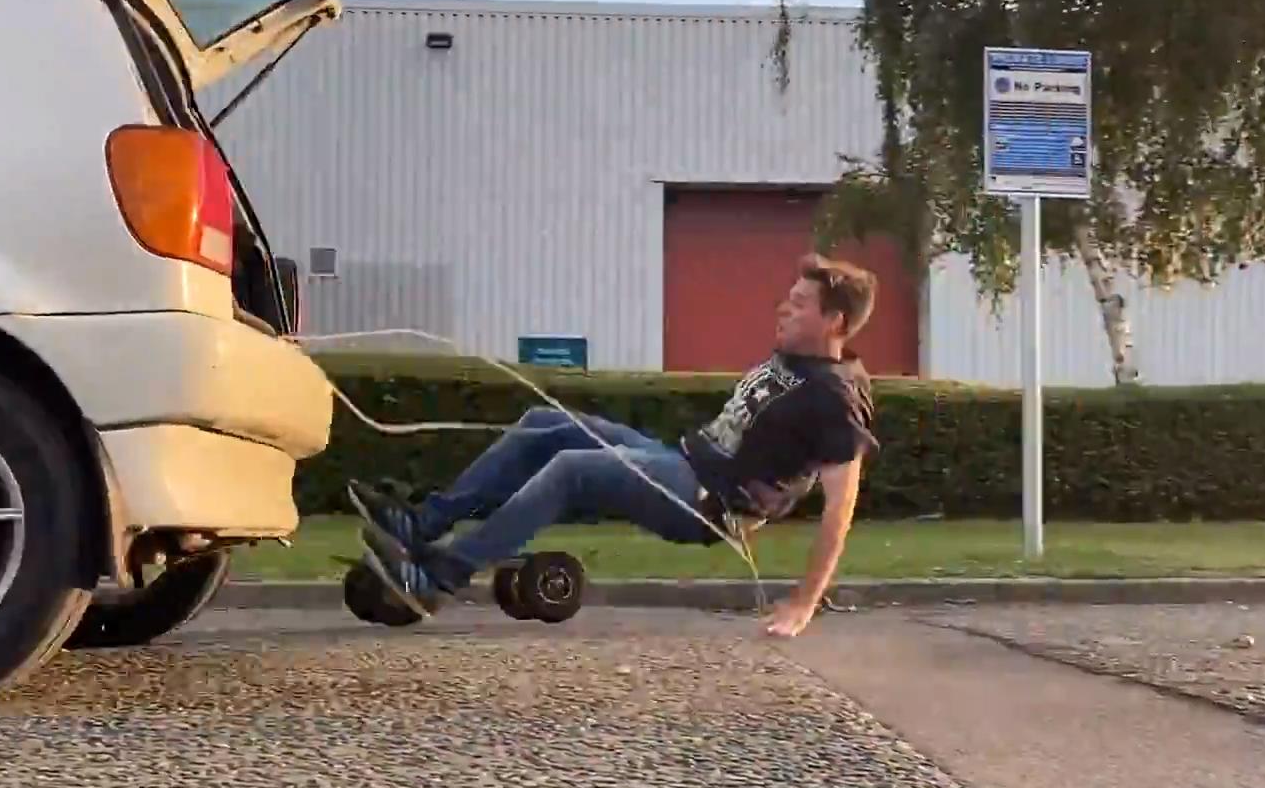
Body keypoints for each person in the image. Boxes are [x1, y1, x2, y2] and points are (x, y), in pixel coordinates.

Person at [350, 253, 880, 638]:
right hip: (682, 463)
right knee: (546, 423)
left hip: (706, 505)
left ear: (833, 320)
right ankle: (422, 526)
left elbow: (840, 509)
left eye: (800, 304)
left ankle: (438, 578)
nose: (782, 310)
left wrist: (803, 604)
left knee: (571, 469)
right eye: (788, 299)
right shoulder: (798, 359)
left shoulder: (836, 397)